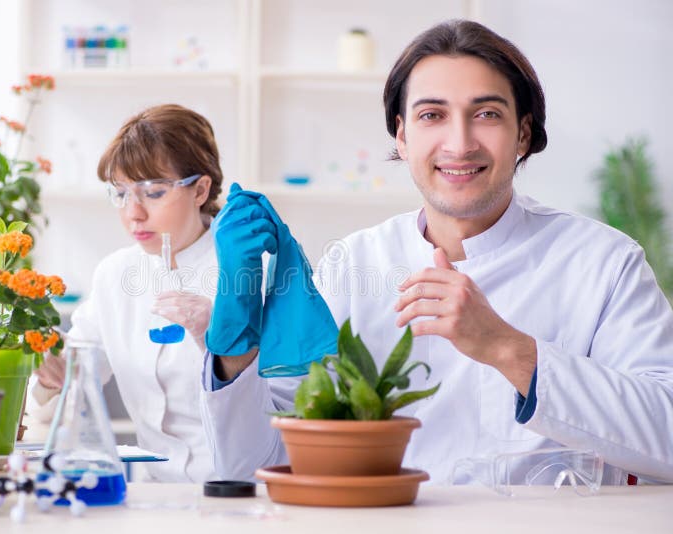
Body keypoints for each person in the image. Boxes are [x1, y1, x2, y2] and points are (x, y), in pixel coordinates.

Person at [200, 20, 673, 484]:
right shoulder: (354, 263)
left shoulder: (605, 262)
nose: (460, 143)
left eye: (487, 114)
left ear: (523, 135)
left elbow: (667, 437)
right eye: (433, 115)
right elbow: (253, 467)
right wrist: (235, 352)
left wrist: (508, 348)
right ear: (403, 138)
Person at [31, 104, 222, 482]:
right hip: (151, 496)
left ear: (200, 189)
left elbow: (281, 398)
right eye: (120, 193)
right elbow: (79, 368)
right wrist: (55, 369)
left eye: (153, 192)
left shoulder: (251, 269)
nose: (133, 213)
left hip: (243, 490)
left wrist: (218, 334)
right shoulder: (117, 274)